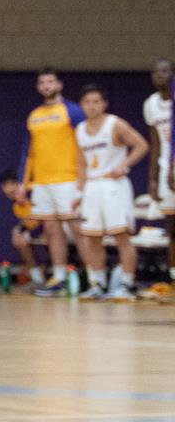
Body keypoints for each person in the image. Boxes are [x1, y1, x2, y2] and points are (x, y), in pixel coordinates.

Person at [75, 84, 148, 302]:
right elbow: (81, 165)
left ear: (104, 103)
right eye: (87, 102)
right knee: (92, 238)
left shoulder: (115, 124)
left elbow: (141, 145)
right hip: (92, 186)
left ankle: (126, 283)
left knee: (121, 236)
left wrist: (124, 165)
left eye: (96, 101)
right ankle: (97, 283)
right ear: (82, 105)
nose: (92, 106)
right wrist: (78, 194)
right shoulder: (79, 129)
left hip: (114, 186)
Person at [17, 69, 86, 297]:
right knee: (51, 229)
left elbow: (86, 141)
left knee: (77, 229)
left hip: (68, 178)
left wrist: (84, 178)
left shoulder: (73, 110)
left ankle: (94, 278)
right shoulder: (34, 115)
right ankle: (59, 277)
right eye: (42, 82)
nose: (46, 85)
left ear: (59, 85)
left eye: (50, 81)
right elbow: (29, 152)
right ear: (38, 87)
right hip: (42, 182)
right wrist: (23, 183)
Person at [0, 169, 45, 287]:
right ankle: (36, 276)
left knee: (24, 238)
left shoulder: (33, 196)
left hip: (51, 229)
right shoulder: (15, 206)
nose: (9, 189)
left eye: (12, 184)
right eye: (5, 185)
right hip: (38, 231)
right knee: (18, 238)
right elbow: (28, 222)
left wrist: (30, 234)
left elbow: (45, 220)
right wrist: (19, 229)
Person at [144, 58, 173, 216]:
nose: (159, 75)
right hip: (165, 168)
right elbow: (156, 146)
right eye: (155, 72)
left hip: (172, 167)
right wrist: (153, 180)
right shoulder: (151, 104)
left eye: (164, 71)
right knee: (170, 221)